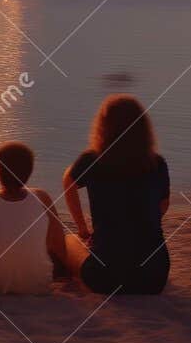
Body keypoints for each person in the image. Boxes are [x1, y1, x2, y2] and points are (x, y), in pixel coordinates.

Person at [59, 95, 171, 295]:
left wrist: (83, 228)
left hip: (107, 277)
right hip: (155, 276)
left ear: (103, 127)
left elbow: (68, 181)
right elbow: (163, 205)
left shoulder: (93, 159)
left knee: (68, 242)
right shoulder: (157, 163)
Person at [0, 142, 68, 295]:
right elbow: (60, 248)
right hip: (38, 282)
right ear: (29, 171)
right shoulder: (42, 198)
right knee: (71, 241)